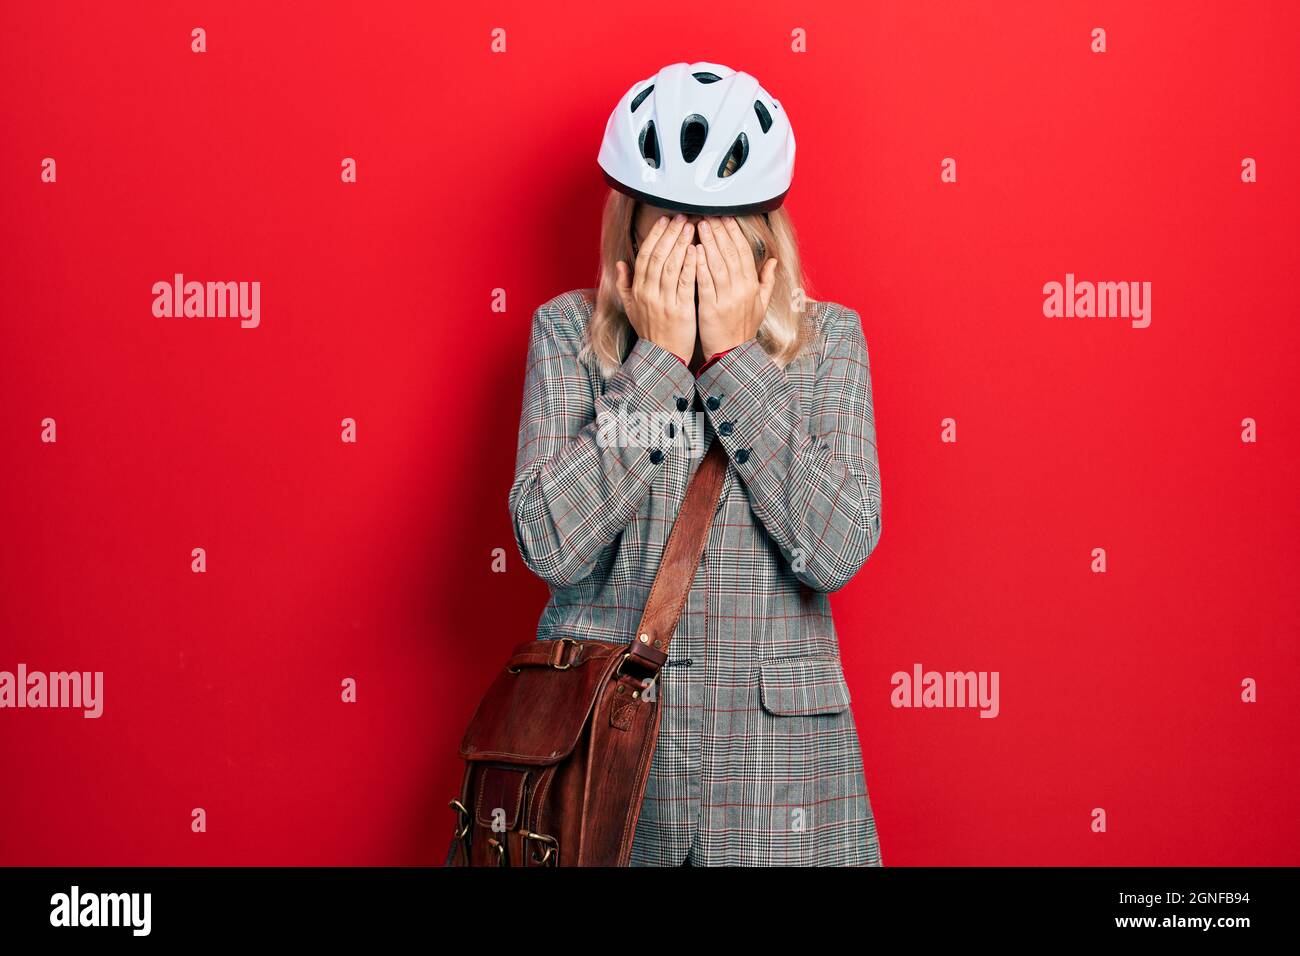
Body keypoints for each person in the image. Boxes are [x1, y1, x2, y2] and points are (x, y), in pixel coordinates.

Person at [508, 61, 884, 866]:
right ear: (632, 233)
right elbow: (550, 545)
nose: (699, 257)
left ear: (764, 239)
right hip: (606, 765)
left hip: (779, 782)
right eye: (676, 231)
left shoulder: (830, 344)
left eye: (722, 231)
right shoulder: (568, 335)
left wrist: (735, 359)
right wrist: (659, 361)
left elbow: (840, 546)